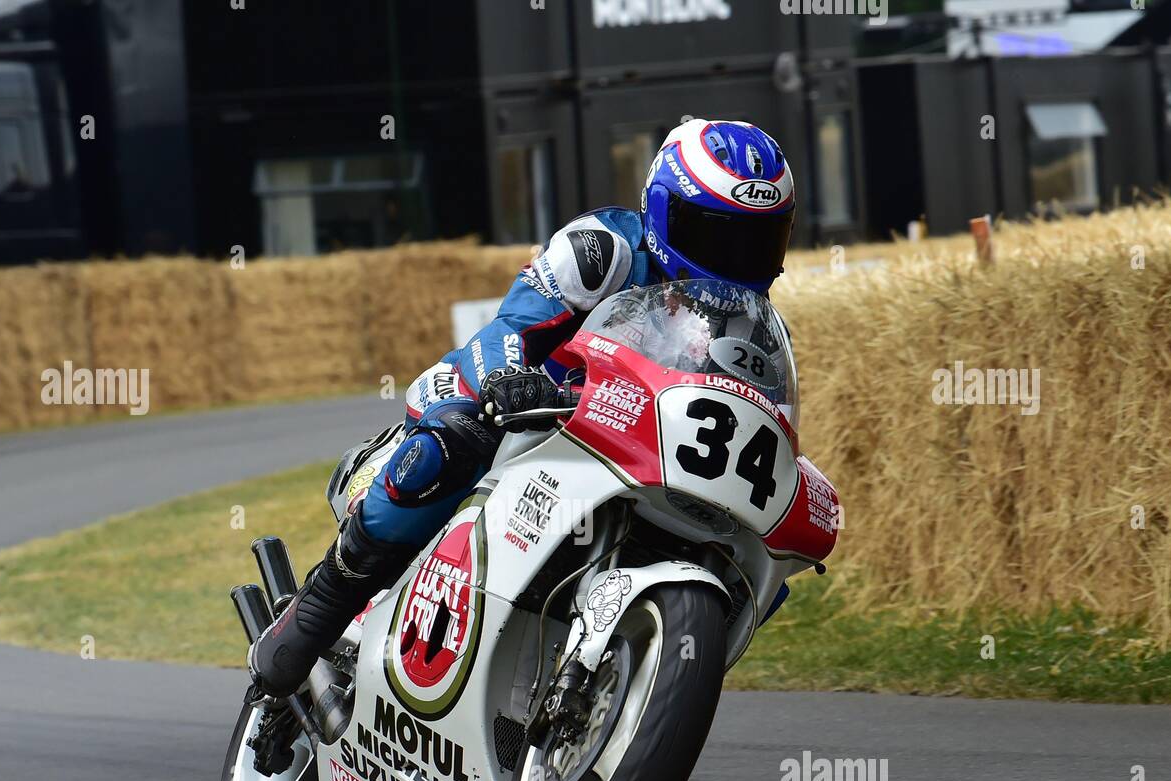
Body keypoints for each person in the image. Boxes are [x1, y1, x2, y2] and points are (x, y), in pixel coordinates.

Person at [249, 117, 797, 697]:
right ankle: (322, 603)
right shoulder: (601, 250)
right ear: (661, 211)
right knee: (456, 441)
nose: (734, 261)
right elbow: (512, 327)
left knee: (758, 562)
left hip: (632, 453)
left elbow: (758, 420)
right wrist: (513, 381)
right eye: (715, 236)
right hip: (528, 408)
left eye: (756, 242)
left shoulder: (752, 328)